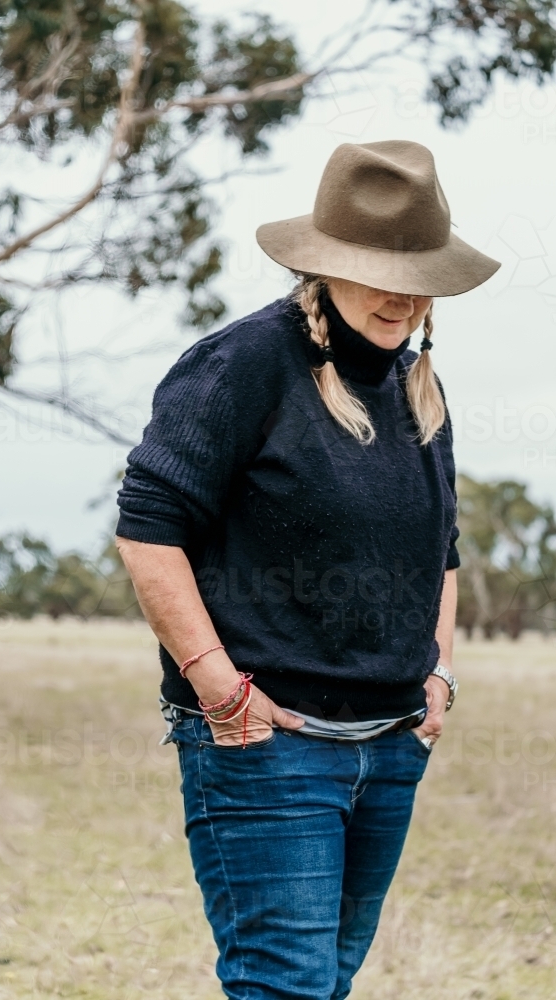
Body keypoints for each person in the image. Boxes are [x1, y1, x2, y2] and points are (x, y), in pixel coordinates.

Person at [115, 140, 500, 1000]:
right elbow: (146, 530)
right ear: (322, 265)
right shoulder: (245, 363)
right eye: (377, 271)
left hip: (390, 747)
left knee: (325, 986)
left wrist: (437, 674)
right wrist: (219, 690)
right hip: (268, 747)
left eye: (418, 274)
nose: (400, 295)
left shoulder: (418, 386)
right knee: (284, 988)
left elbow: (438, 549)